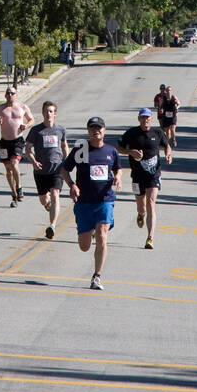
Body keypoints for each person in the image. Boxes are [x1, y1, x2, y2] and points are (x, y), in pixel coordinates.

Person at [60, 117, 121, 290]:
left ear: (104, 130)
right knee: (84, 246)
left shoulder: (111, 151)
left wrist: (118, 177)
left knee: (102, 235)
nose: (96, 131)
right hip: (84, 202)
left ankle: (97, 276)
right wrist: (72, 185)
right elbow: (64, 169)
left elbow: (118, 168)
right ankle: (90, 231)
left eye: (99, 128)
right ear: (88, 131)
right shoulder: (81, 149)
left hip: (105, 200)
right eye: (93, 128)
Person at [118, 109, 171, 248]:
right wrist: (130, 152)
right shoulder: (132, 133)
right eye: (143, 118)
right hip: (137, 175)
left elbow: (167, 146)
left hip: (153, 175)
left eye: (147, 117)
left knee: (151, 202)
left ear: (151, 119)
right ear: (139, 119)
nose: (145, 120)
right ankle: (140, 214)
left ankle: (150, 238)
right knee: (141, 206)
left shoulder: (157, 133)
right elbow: (119, 148)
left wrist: (168, 154)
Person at [24, 101, 70, 238]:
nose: (48, 113)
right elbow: (27, 149)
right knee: (44, 200)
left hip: (57, 169)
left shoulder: (60, 130)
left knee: (55, 193)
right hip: (41, 171)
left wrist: (66, 161)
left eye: (51, 111)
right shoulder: (36, 130)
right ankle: (47, 203)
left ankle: (52, 226)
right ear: (43, 113)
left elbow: (64, 146)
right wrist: (33, 161)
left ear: (55, 114)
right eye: (46, 111)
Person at [0, 86, 34, 206]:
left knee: (14, 163)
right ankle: (14, 195)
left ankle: (19, 187)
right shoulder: (0, 108)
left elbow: (32, 119)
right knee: (8, 170)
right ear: (5, 95)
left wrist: (26, 125)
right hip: (4, 142)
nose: (10, 95)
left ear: (16, 94)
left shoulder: (22, 107)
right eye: (8, 93)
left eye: (12, 93)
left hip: (18, 140)